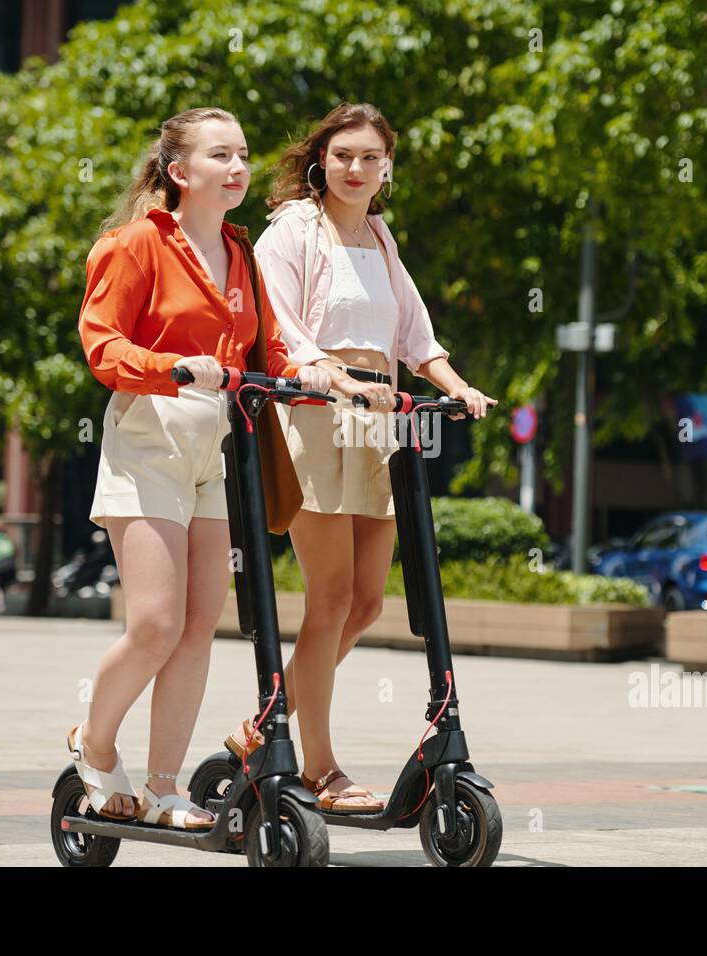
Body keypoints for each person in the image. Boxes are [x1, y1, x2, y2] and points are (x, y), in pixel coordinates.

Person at [220, 103, 496, 813]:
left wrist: (458, 387)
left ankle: (263, 726)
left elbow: (413, 332)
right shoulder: (292, 230)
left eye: (370, 158)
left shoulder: (379, 234)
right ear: (321, 160)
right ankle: (319, 767)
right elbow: (276, 321)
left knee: (369, 601)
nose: (356, 168)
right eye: (343, 155)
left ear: (387, 168)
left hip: (379, 416)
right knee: (331, 598)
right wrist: (329, 374)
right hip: (314, 415)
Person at [71, 107, 331, 829]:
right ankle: (93, 744)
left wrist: (326, 376)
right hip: (149, 434)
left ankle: (164, 787)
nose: (238, 166)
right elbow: (103, 348)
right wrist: (175, 367)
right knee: (155, 623)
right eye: (220, 155)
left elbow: (270, 350)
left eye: (243, 153)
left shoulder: (241, 253)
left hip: (215, 447)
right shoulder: (133, 246)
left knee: (196, 627)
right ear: (179, 172)